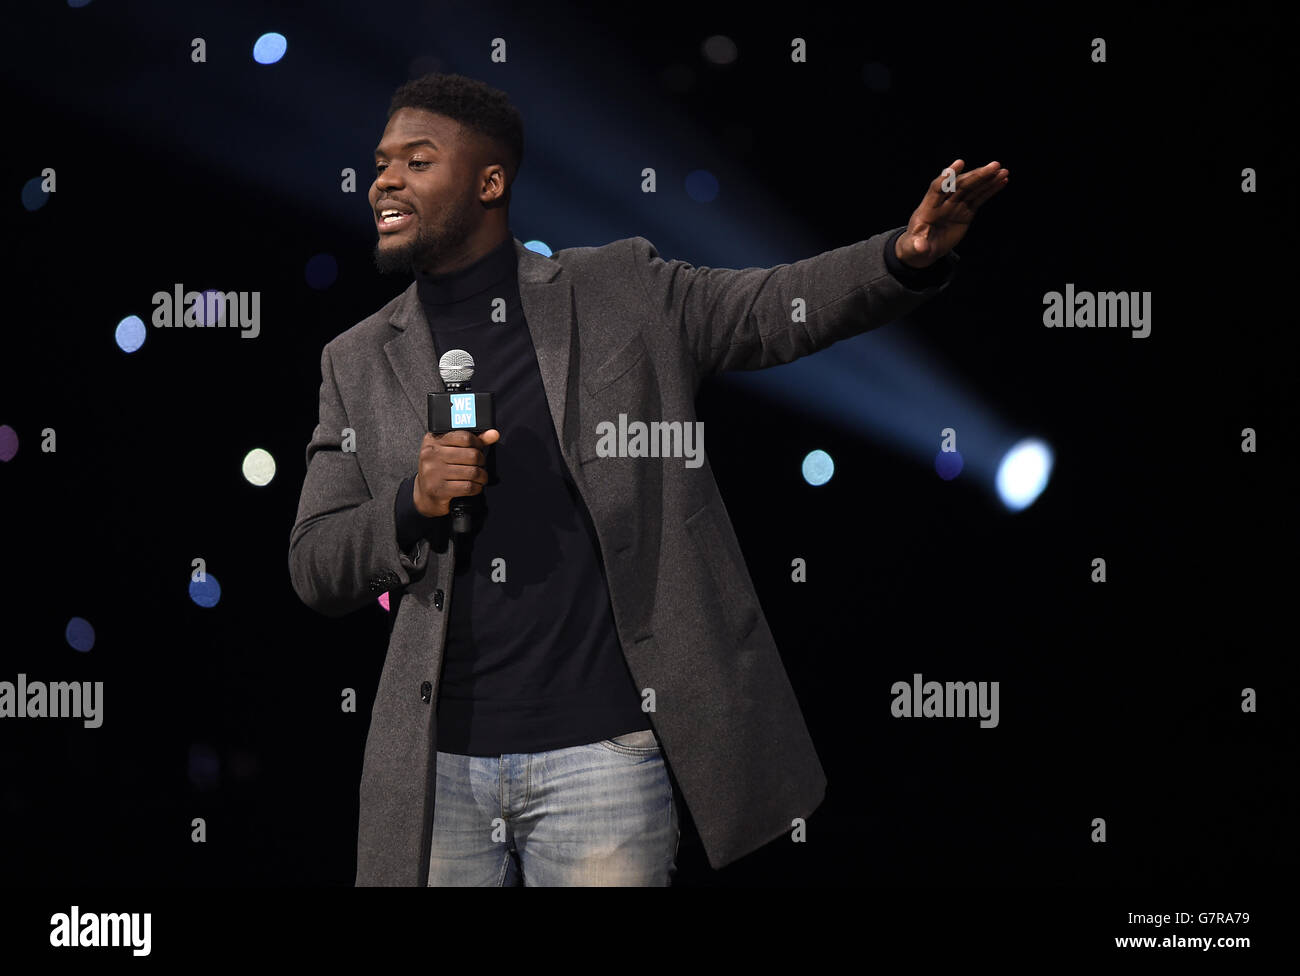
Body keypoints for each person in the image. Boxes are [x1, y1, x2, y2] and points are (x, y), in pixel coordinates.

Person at [288, 72, 1008, 886]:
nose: (384, 178)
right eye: (381, 162)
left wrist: (900, 257)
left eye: (417, 162)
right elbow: (315, 562)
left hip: (603, 759)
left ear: (490, 182)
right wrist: (410, 508)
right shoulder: (355, 360)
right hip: (437, 770)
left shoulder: (619, 289)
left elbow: (770, 308)